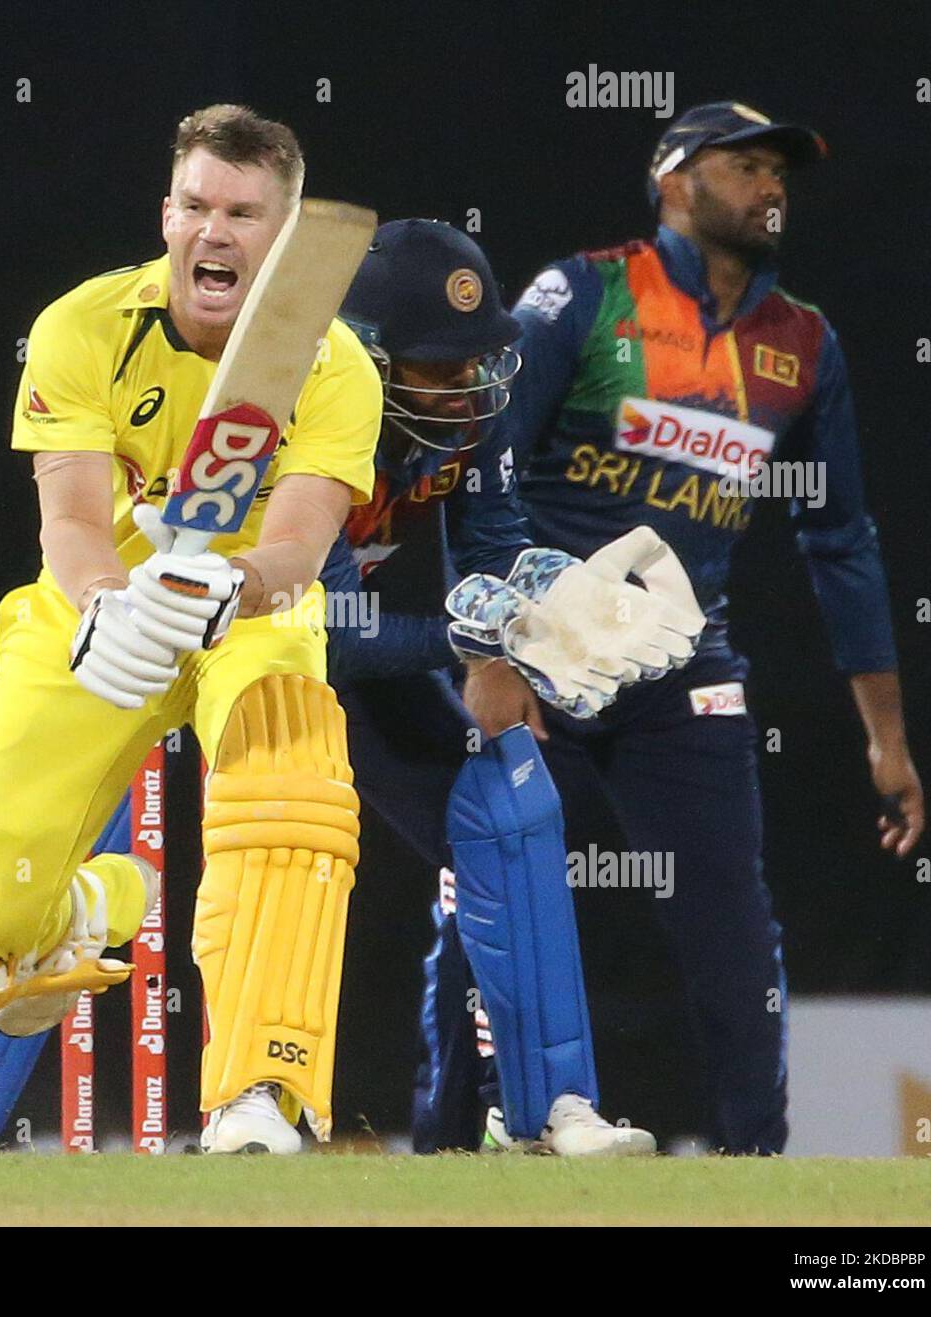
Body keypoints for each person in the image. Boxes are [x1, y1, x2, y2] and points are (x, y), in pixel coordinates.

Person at [0, 103, 385, 1156]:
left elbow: (298, 547)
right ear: (167, 213)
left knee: (292, 788)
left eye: (241, 212)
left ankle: (256, 1100)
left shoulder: (337, 367)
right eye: (195, 205)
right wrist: (106, 606)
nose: (213, 231)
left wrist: (222, 590)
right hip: (100, 608)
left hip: (247, 615)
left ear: (280, 237)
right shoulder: (81, 325)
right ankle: (98, 902)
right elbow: (72, 517)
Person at [429, 102, 925, 1154]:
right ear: (672, 180)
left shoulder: (803, 343)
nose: (767, 188)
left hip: (678, 669)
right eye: (741, 166)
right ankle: (442, 1149)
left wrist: (884, 735)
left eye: (776, 172)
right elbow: (480, 468)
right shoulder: (583, 294)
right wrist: (496, 648)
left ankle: (756, 1165)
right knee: (489, 905)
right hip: (536, 656)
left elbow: (838, 540)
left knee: (732, 933)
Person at [325, 219, 702, 1153]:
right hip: (215, 661)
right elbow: (318, 632)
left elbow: (491, 552)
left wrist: (551, 607)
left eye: (479, 361)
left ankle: (542, 1108)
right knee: (85, 850)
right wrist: (468, 637)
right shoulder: (311, 410)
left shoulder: (466, 414)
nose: (471, 388)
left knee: (512, 804)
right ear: (367, 358)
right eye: (441, 369)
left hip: (336, 642)